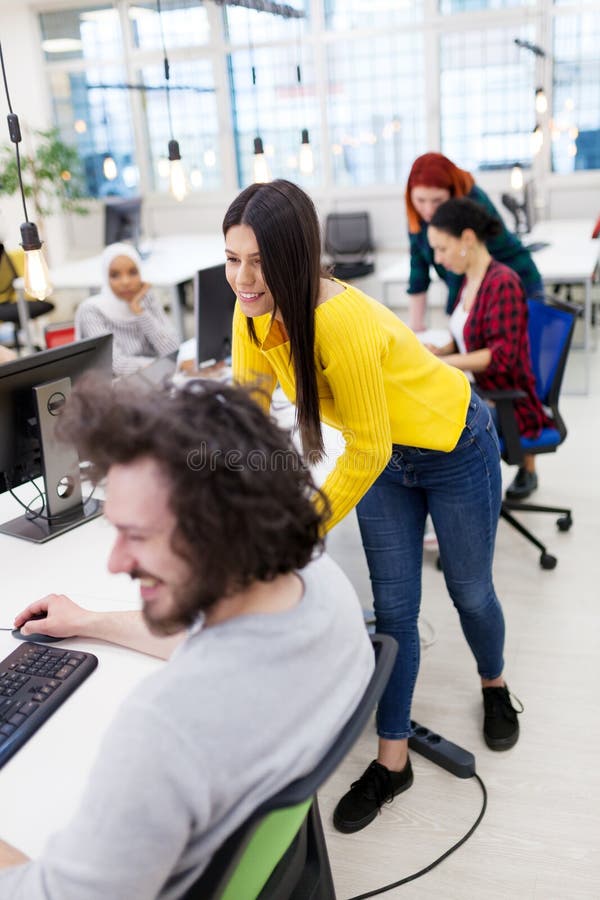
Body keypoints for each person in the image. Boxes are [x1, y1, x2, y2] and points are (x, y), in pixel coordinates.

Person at [224, 179, 523, 836]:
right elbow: (247, 419)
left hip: (453, 444)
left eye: (258, 260)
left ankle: (495, 684)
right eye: (231, 258)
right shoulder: (252, 315)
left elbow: (364, 445)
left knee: (471, 594)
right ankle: (393, 764)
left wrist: (296, 530)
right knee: (395, 614)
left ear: (296, 255)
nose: (243, 278)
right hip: (386, 459)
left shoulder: (340, 319)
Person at [0, 378, 374, 898]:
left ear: (220, 528)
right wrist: (88, 620)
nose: (116, 562)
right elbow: (208, 649)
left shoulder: (162, 729)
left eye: (138, 537)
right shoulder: (321, 586)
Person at [425, 197, 551, 500]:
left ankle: (456, 509)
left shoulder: (502, 283)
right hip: (479, 391)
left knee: (432, 438)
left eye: (442, 248)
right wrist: (439, 351)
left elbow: (500, 357)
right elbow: (468, 334)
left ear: (467, 238)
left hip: (505, 401)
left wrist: (444, 363)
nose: (438, 259)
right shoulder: (470, 280)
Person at [405, 152, 543, 333]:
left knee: (520, 351)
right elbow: (418, 271)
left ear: (452, 193)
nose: (428, 210)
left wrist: (454, 330)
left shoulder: (470, 204)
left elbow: (462, 271)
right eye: (420, 200)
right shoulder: (418, 215)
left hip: (515, 283)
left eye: (437, 200)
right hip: (477, 291)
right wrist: (415, 329)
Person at [75, 242, 178, 377]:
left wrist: (139, 311)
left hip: (157, 377)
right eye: (115, 275)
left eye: (133, 272)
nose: (126, 282)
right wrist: (161, 367)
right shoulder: (92, 310)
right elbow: (117, 365)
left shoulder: (145, 299)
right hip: (117, 388)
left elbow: (172, 350)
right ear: (106, 277)